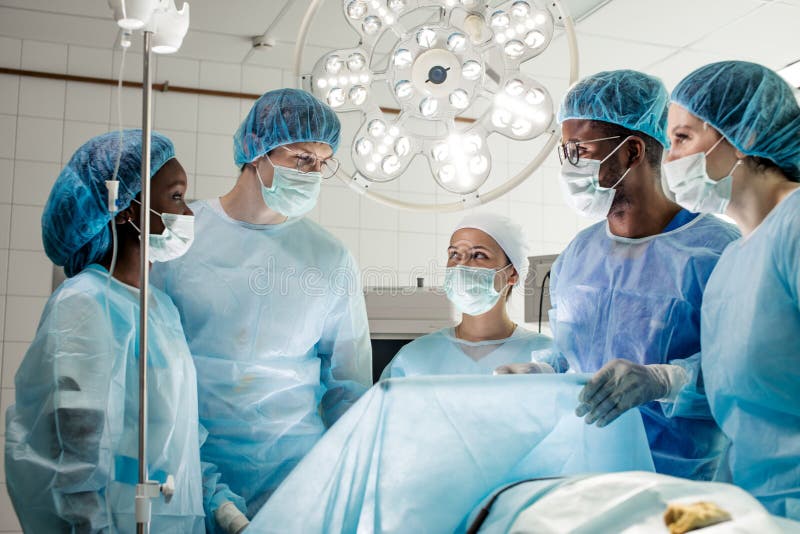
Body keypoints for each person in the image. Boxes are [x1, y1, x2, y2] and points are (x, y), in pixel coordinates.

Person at [5, 130, 247, 533]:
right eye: (175, 197)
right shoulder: (84, 304)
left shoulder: (159, 310)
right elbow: (72, 464)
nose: (188, 215)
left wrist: (222, 507)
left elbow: (179, 440)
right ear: (124, 210)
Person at [151, 88, 372, 516]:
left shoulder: (330, 257)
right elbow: (152, 373)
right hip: (189, 468)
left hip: (297, 478)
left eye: (322, 163)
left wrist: (345, 483)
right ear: (257, 151)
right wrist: (205, 489)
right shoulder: (182, 238)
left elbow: (349, 388)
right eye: (302, 159)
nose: (313, 174)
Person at [510, 70, 741, 480]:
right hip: (584, 475)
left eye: (578, 150)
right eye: (565, 153)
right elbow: (572, 355)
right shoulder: (577, 255)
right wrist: (544, 373)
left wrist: (664, 380)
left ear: (632, 151)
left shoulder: (718, 252)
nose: (569, 167)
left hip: (681, 484)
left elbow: (746, 369)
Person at [664, 60, 800, 518]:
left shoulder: (796, 226)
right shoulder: (733, 262)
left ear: (744, 133)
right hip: (760, 510)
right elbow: (744, 407)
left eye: (683, 138)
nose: (670, 160)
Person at [381, 213, 551, 378]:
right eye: (454, 254)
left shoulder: (546, 355)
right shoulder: (413, 358)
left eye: (479, 255)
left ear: (512, 273)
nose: (461, 265)